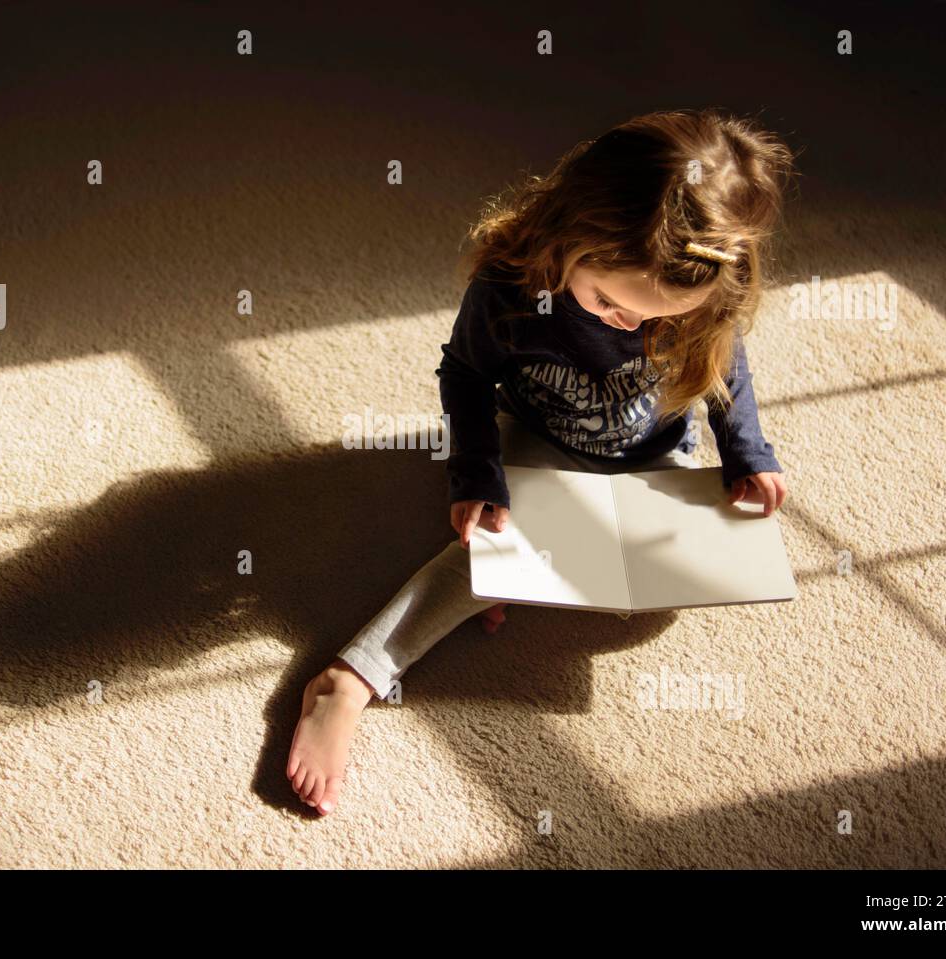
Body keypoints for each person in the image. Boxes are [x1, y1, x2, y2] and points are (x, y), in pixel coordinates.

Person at [287, 109, 794, 815]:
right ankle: (349, 678)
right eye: (611, 304)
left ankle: (517, 581)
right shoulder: (510, 289)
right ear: (568, 238)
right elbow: (464, 374)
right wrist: (476, 475)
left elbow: (723, 368)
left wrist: (747, 452)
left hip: (654, 451)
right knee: (488, 539)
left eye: (658, 320)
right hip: (539, 438)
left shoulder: (701, 295)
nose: (636, 327)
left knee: (661, 587)